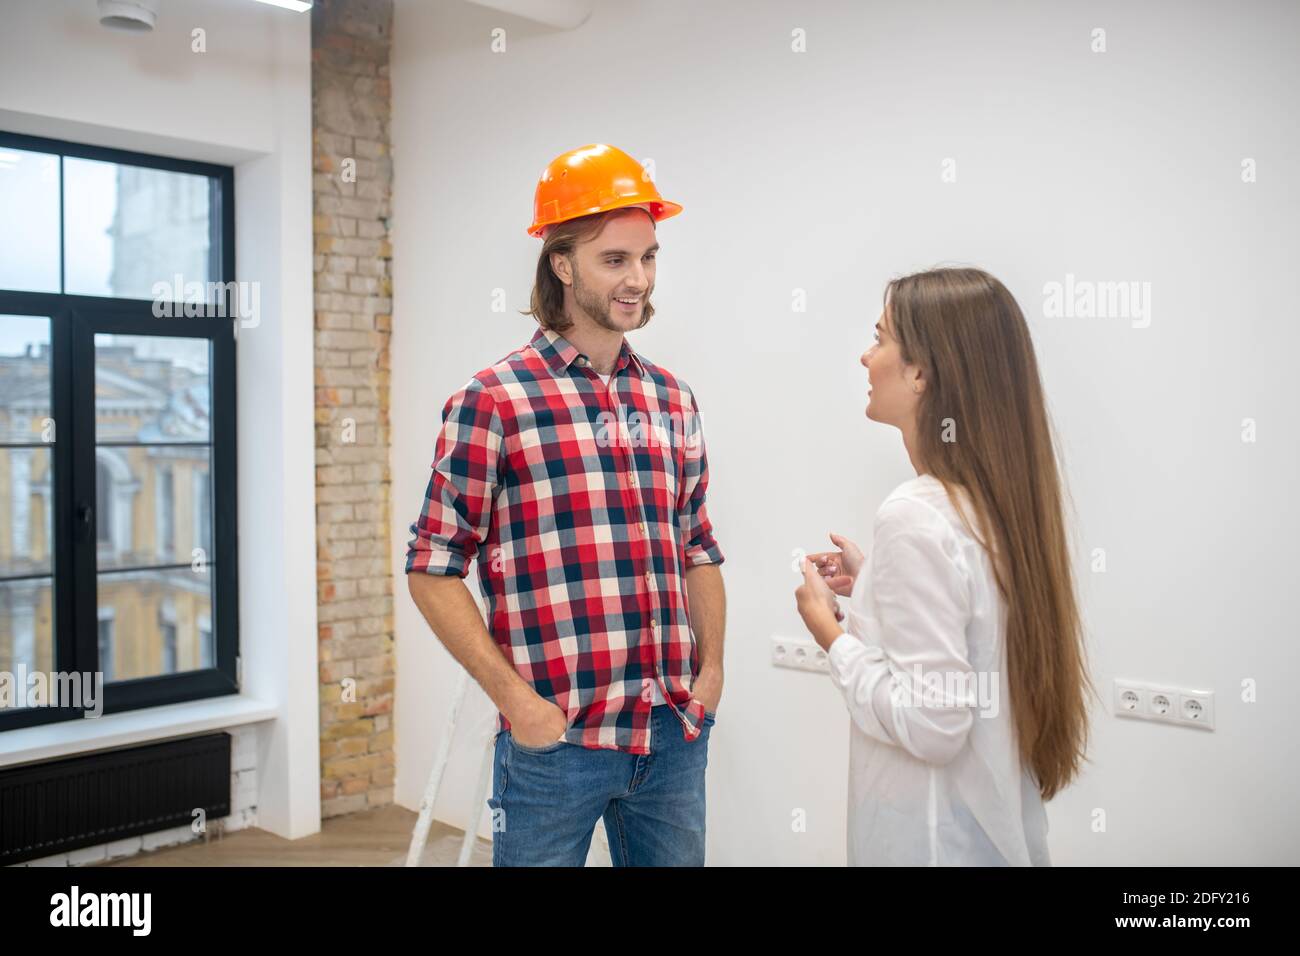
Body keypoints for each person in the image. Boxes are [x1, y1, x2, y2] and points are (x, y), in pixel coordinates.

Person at [406, 144, 726, 866]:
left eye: (648, 258)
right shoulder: (493, 401)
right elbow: (430, 567)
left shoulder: (671, 398)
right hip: (557, 746)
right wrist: (518, 703)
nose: (637, 279)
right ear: (561, 263)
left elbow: (697, 545)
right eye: (615, 259)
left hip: (670, 738)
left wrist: (712, 677)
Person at [794, 267, 1095, 866]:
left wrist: (832, 635)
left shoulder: (914, 514)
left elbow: (933, 725)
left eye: (880, 339)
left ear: (922, 372)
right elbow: (969, 631)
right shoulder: (993, 504)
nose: (864, 357)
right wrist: (877, 582)